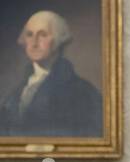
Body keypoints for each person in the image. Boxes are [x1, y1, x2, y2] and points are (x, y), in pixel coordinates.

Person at [0, 10, 102, 138]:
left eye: (42, 35)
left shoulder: (83, 92)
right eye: (29, 35)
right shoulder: (14, 96)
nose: (34, 42)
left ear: (59, 40)